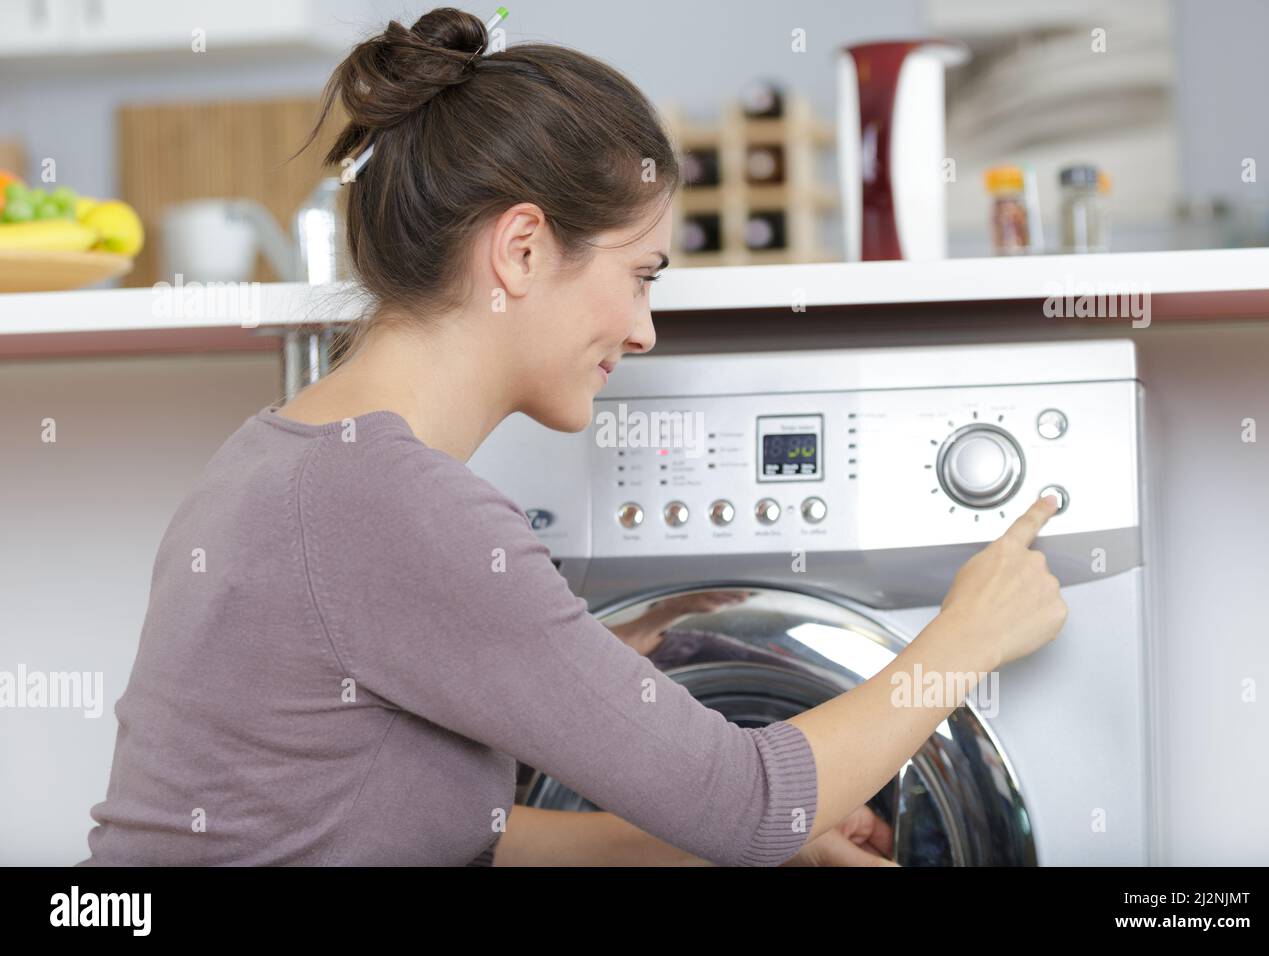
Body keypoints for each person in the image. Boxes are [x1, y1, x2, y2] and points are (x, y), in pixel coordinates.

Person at [77, 6, 1066, 867]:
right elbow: (752, 800)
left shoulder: (279, 456)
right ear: (518, 249)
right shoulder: (396, 503)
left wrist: (771, 838)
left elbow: (466, 832)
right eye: (641, 274)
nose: (642, 327)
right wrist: (964, 636)